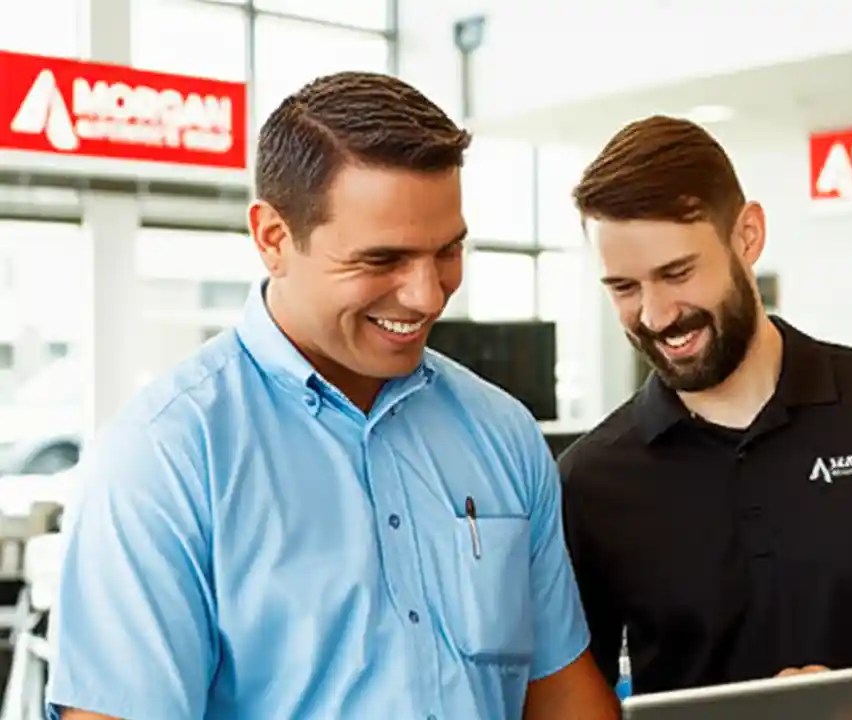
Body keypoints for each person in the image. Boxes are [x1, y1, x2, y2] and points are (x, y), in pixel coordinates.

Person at [47, 71, 619, 720]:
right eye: (382, 260)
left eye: (448, 251)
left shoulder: (502, 431)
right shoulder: (168, 456)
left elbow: (563, 697)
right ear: (272, 239)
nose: (427, 295)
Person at [557, 115, 852, 694]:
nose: (656, 315)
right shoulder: (592, 481)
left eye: (678, 272)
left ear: (748, 235)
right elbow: (575, 700)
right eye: (624, 288)